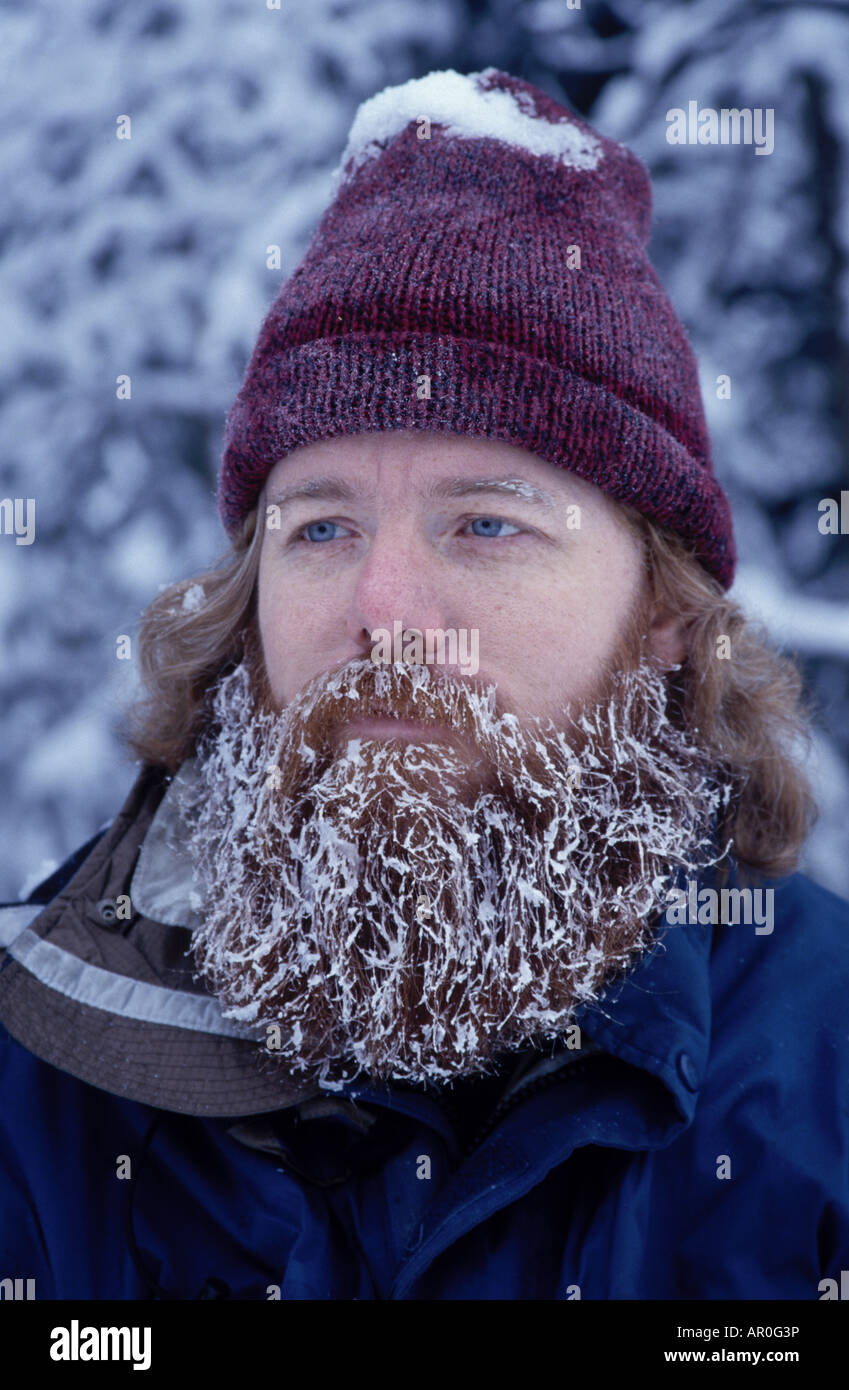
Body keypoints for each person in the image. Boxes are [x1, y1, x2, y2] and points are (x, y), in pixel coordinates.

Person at [1, 68, 847, 1302]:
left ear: (665, 614)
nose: (382, 612)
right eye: (321, 529)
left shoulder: (824, 1080)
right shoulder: (46, 1065)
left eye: (488, 524)